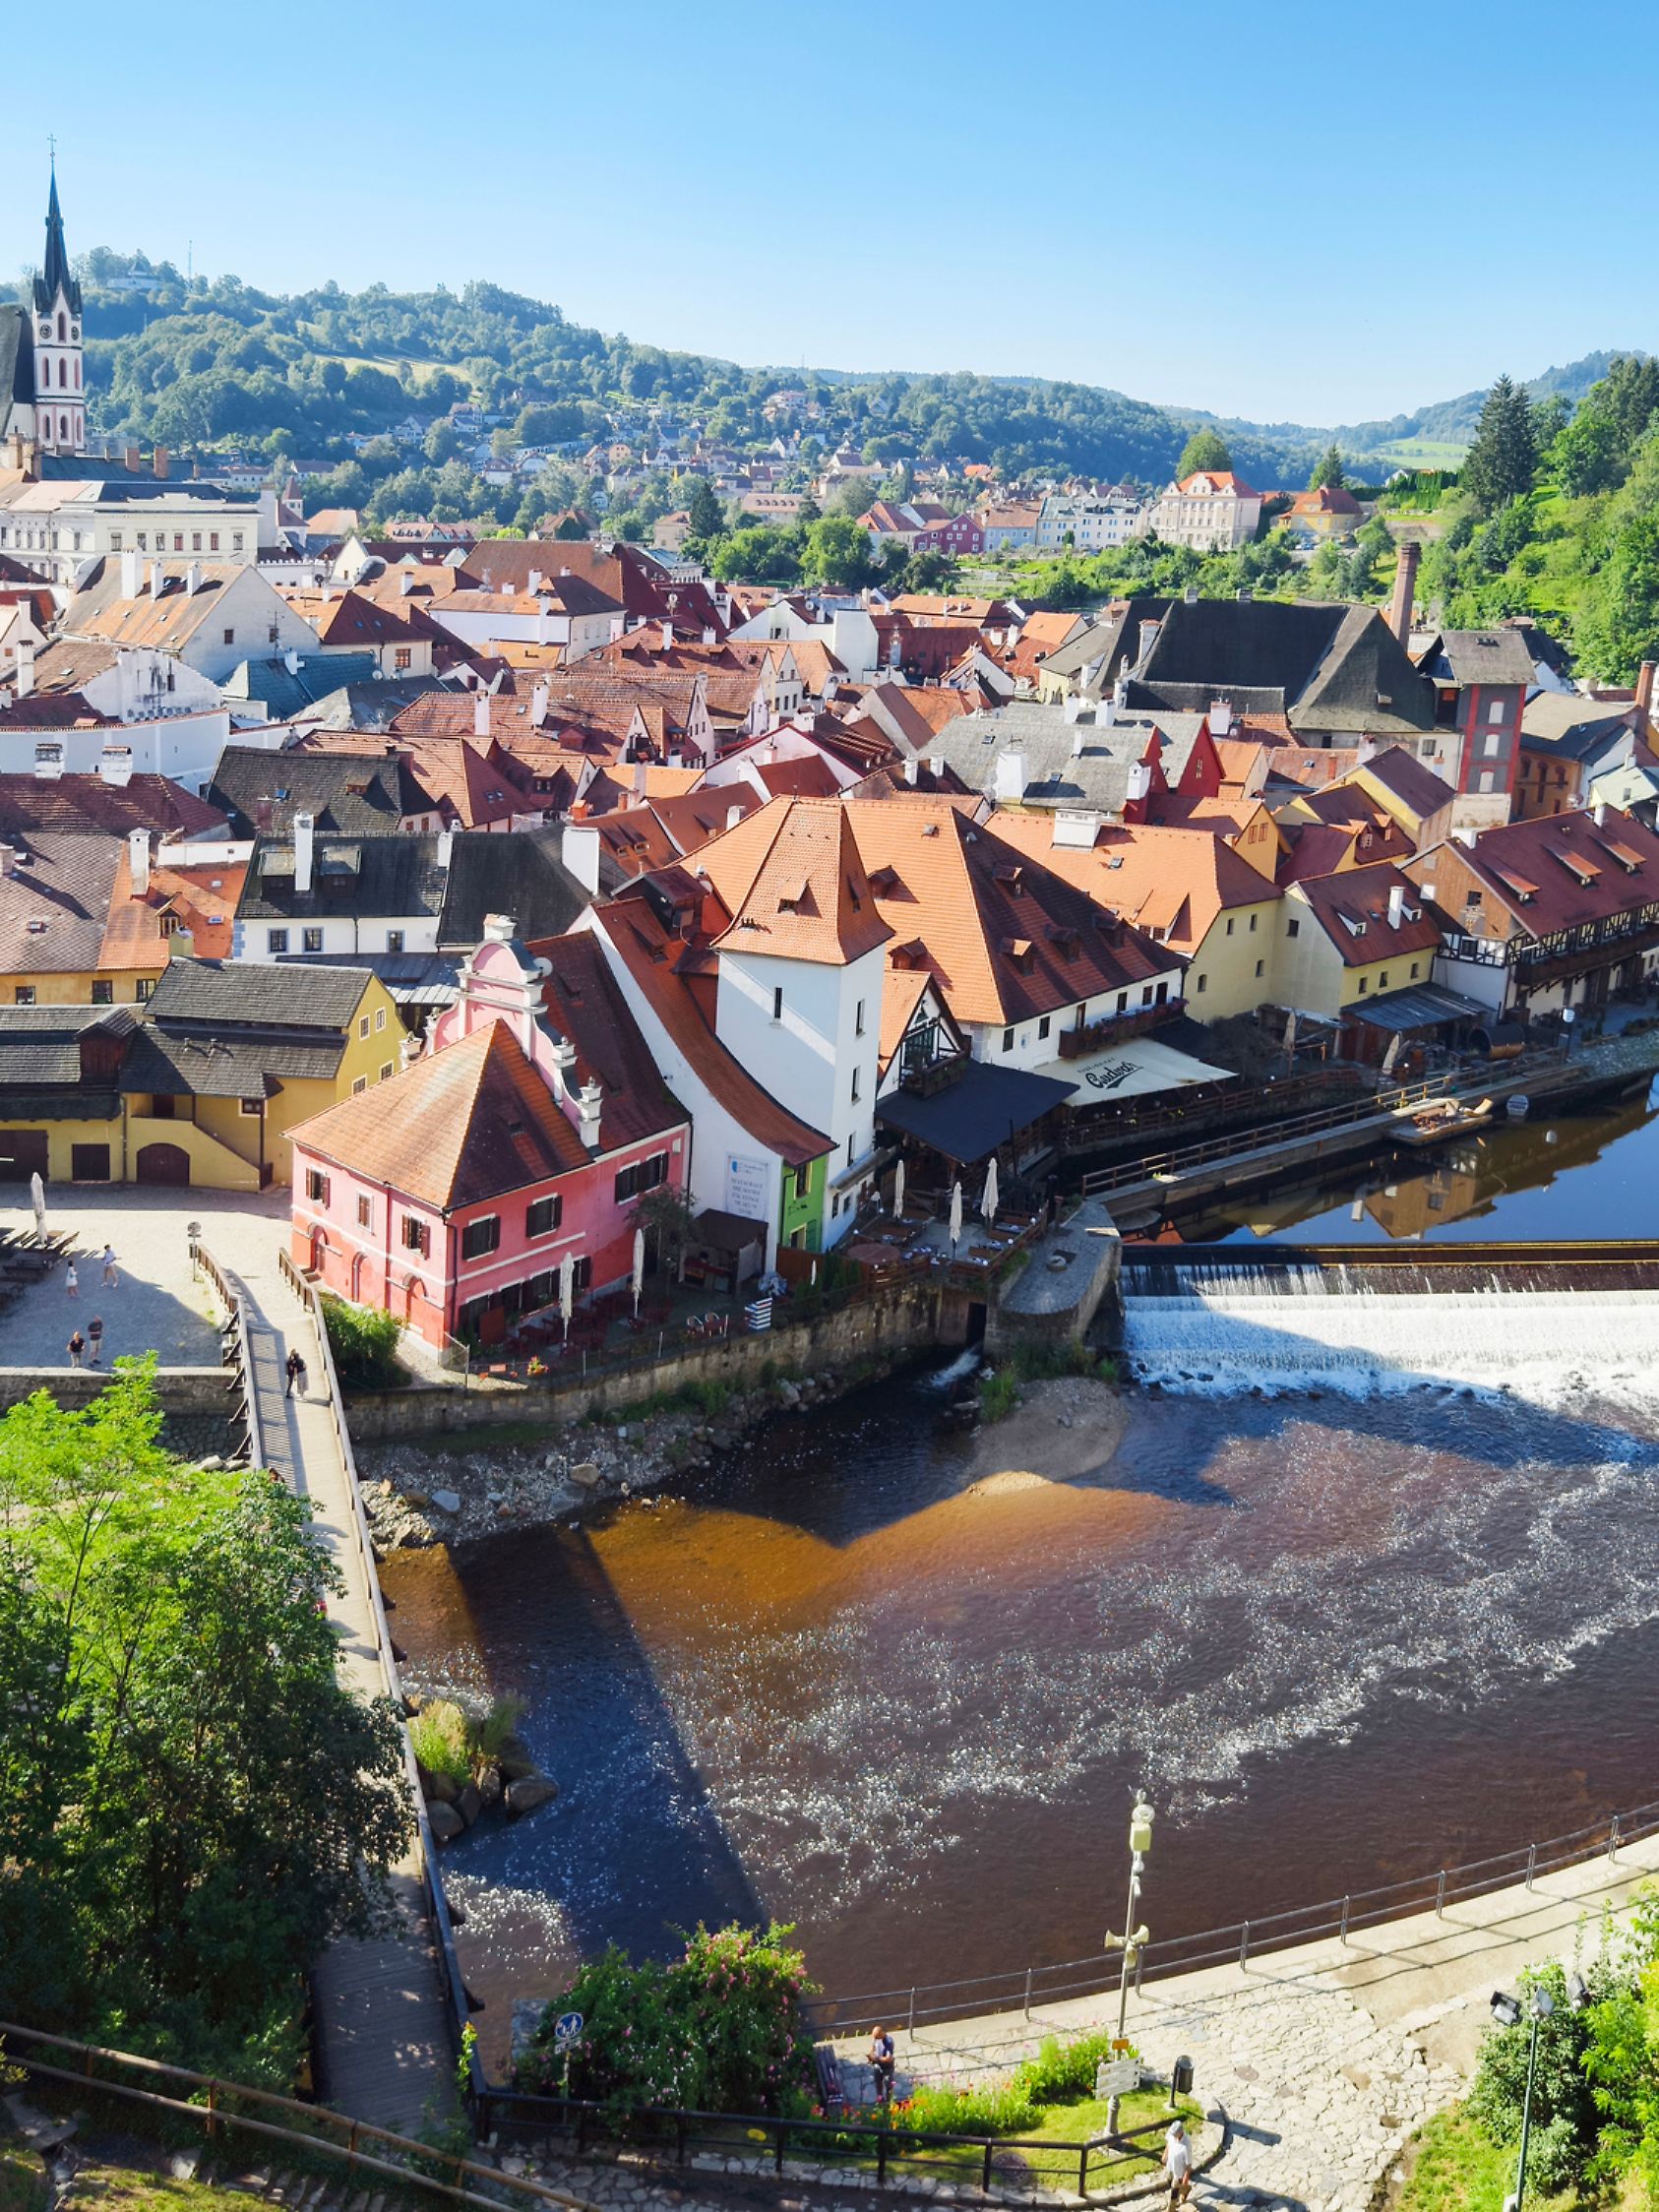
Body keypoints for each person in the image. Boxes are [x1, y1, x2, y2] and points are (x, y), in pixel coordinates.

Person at [1163, 2117, 1193, 2206]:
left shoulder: (1186, 2144)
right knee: (1169, 2181)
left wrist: (1184, 2181)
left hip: (1179, 2172)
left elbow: (1188, 2166)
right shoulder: (1172, 2135)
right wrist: (1165, 2155)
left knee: (1174, 2191)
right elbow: (1168, 2143)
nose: (1173, 2136)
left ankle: (1172, 2207)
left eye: (1175, 2135)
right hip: (1170, 2166)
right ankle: (1183, 2191)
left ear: (1180, 2133)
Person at [868, 2025, 895, 2104]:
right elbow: (873, 2048)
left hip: (887, 2067)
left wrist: (877, 2059)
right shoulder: (876, 2038)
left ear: (881, 2034)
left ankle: (889, 2101)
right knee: (878, 2081)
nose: (875, 2039)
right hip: (878, 2065)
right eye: (874, 2037)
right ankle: (880, 2097)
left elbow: (889, 2058)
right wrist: (871, 2055)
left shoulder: (888, 2041)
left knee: (888, 2083)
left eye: (877, 2037)